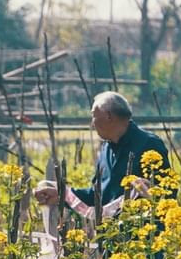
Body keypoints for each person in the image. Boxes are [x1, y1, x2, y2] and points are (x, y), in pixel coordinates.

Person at [34, 91, 170, 220]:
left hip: (142, 236)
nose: (92, 123)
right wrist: (61, 194)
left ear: (108, 116)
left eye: (94, 115)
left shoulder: (149, 144)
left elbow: (166, 193)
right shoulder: (106, 148)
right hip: (112, 237)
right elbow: (97, 195)